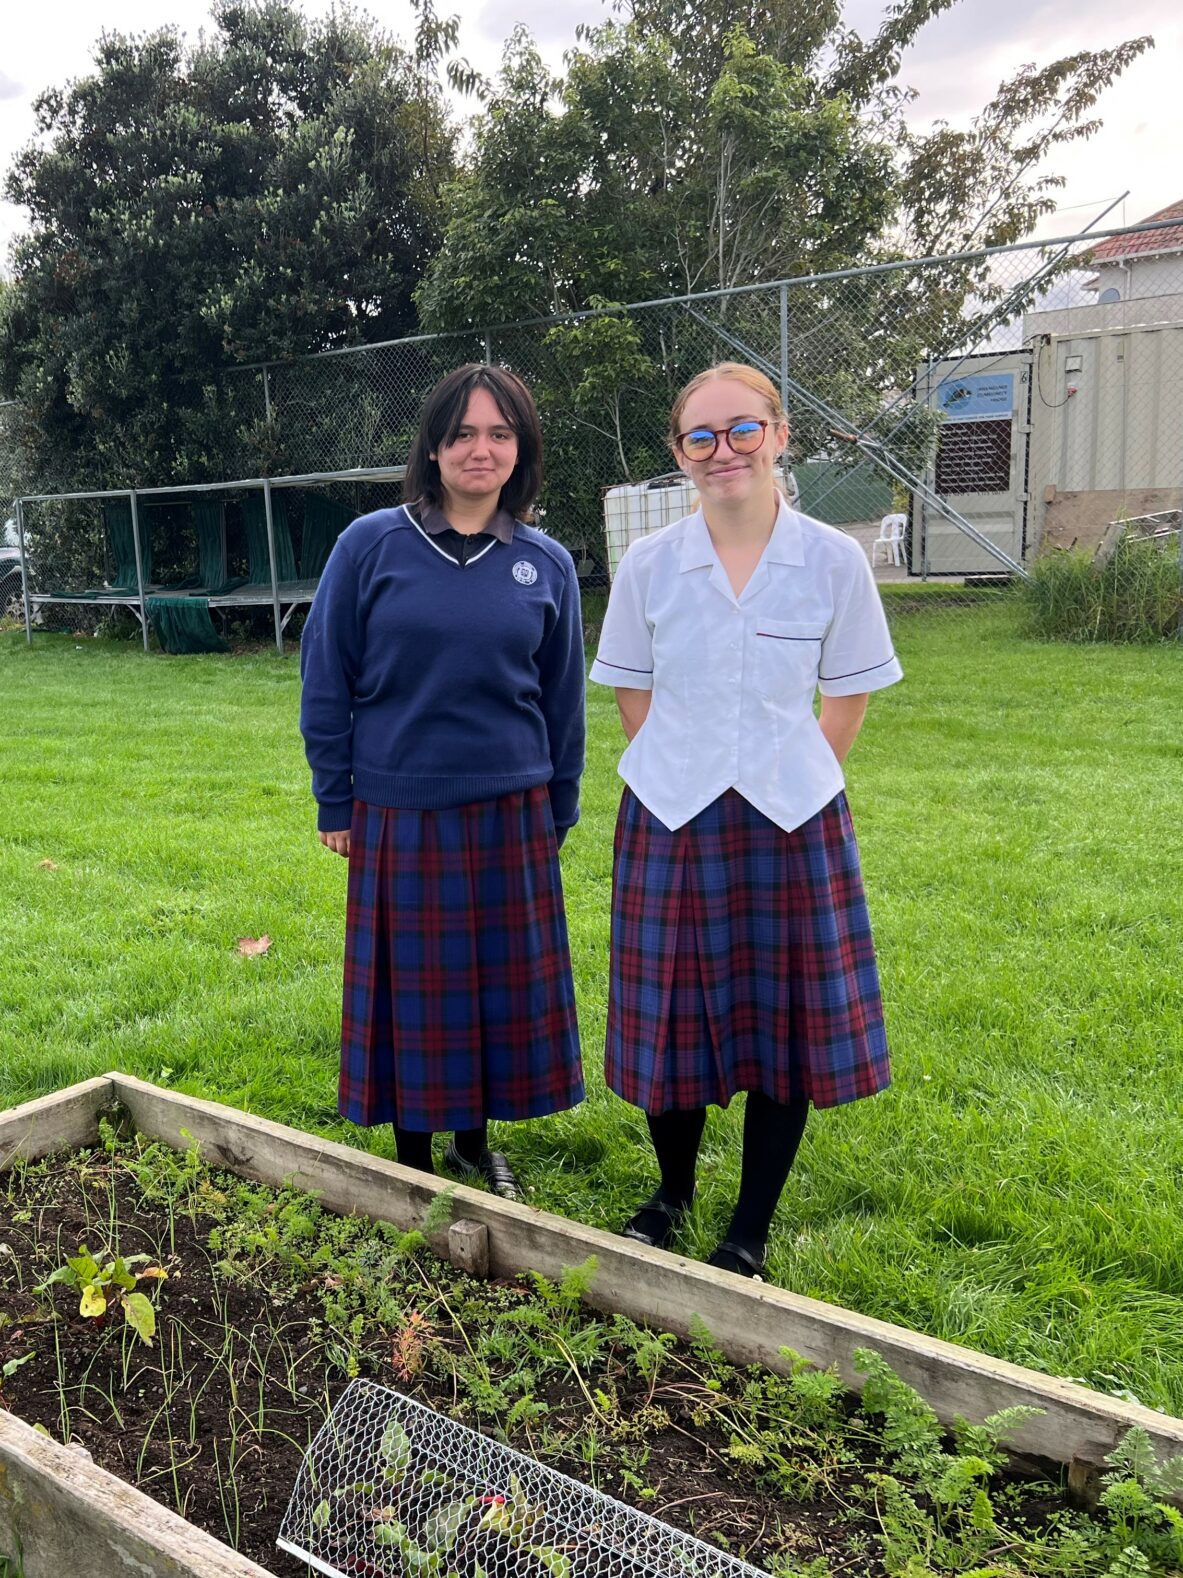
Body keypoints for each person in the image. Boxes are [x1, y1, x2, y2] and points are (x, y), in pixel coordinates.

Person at [589, 362, 901, 1277]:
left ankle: (748, 1230)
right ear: (678, 454)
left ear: (779, 434)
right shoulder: (648, 566)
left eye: (741, 430)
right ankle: (671, 1191)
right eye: (700, 436)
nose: (722, 452)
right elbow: (632, 694)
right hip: (670, 812)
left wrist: (783, 779)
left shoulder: (832, 561)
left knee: (784, 1026)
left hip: (791, 820)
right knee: (666, 1020)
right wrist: (692, 772)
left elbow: (844, 696)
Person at [299, 364, 586, 1199]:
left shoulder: (546, 563)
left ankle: (472, 1143)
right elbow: (326, 679)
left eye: (500, 433)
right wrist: (335, 794)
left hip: (513, 810)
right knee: (415, 997)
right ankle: (414, 1157)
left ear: (520, 450)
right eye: (462, 432)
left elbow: (562, 699)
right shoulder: (371, 544)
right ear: (431, 446)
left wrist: (559, 803)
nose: (480, 449)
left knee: (490, 990)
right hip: (400, 807)